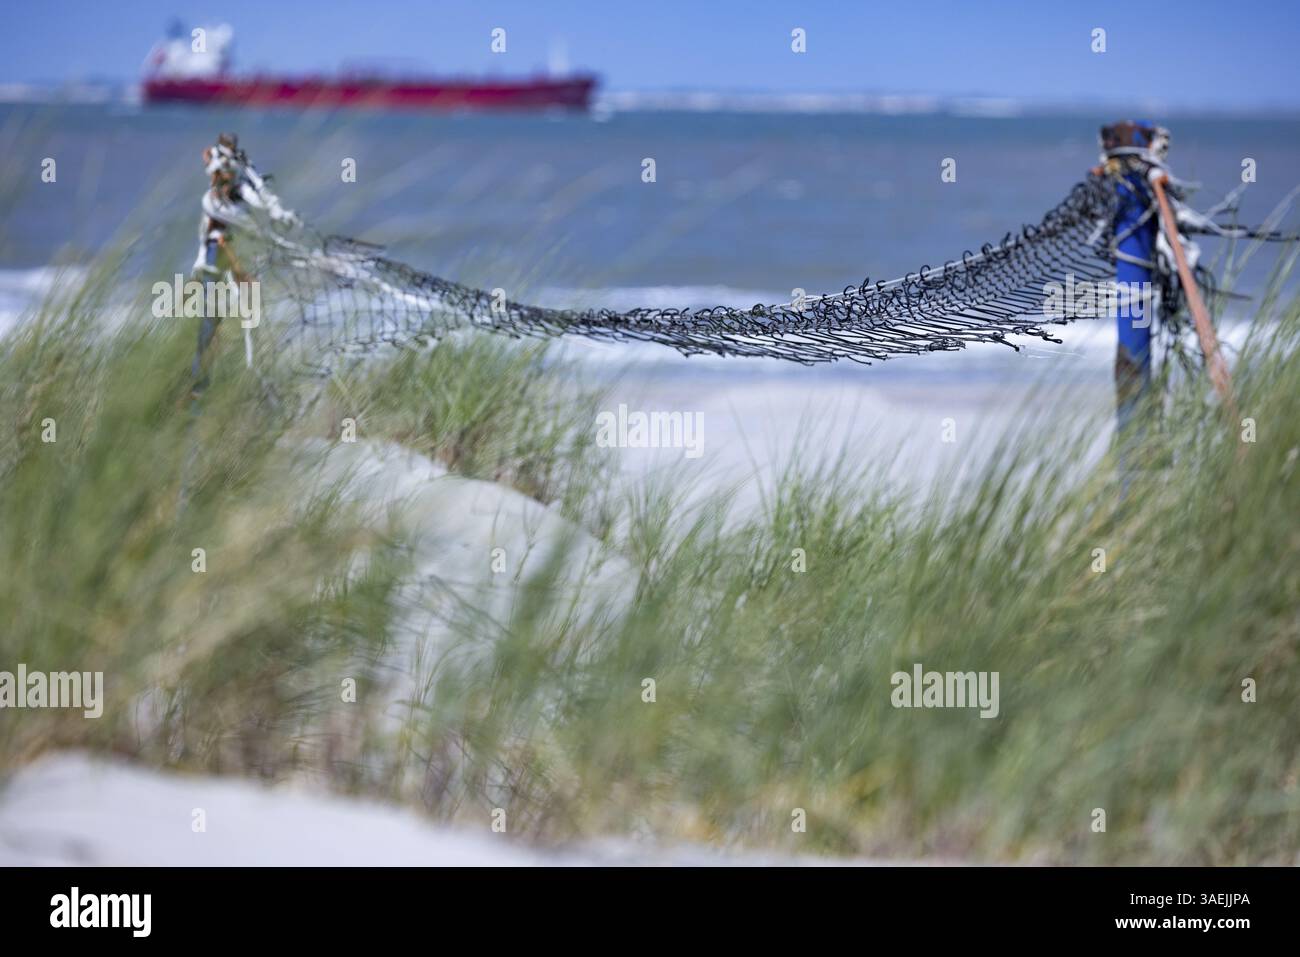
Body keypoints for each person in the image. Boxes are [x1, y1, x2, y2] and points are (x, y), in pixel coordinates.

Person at [189, 133, 298, 393]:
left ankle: (207, 386)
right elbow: (222, 242)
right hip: (213, 269)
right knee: (212, 328)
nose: (228, 180)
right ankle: (200, 388)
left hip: (216, 268)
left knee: (220, 328)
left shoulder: (232, 189)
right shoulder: (215, 202)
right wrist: (241, 272)